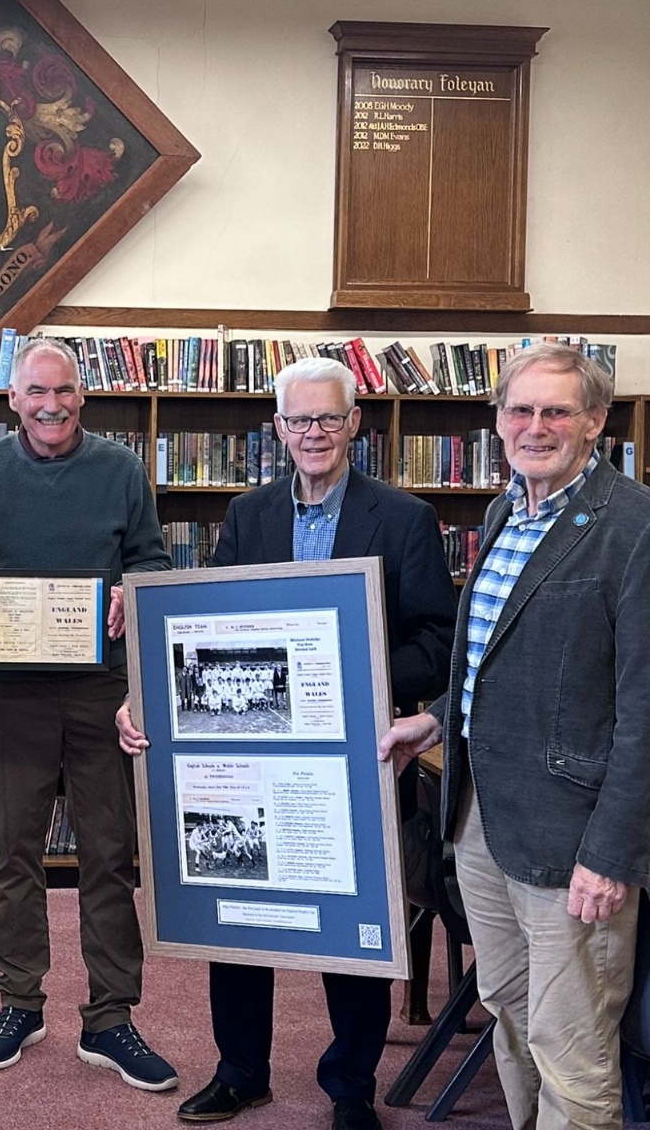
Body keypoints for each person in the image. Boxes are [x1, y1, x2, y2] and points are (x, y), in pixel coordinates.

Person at [118, 356, 456, 1130]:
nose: (313, 433)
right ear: (278, 429)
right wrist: (149, 698)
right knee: (239, 907)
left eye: (328, 419)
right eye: (299, 420)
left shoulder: (403, 517)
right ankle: (242, 1070)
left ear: (354, 425)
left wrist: (346, 667)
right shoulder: (248, 514)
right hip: (257, 749)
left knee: (351, 918)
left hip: (361, 752)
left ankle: (350, 1087)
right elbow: (210, 629)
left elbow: (437, 642)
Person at [380, 342, 650, 1130]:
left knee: (572, 1044)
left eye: (557, 410)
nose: (536, 425)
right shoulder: (508, 511)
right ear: (497, 420)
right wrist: (433, 717)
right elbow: (489, 661)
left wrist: (612, 854)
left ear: (595, 422)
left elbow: (643, 710)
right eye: (521, 409)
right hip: (481, 822)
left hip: (571, 841)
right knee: (511, 1013)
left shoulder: (632, 529)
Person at [0, 336, 177, 1092]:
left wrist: (131, 592)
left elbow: (153, 561)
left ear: (82, 396)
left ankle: (110, 1017)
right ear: (12, 399)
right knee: (16, 853)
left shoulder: (121, 470)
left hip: (102, 689)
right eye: (36, 392)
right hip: (13, 689)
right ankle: (19, 1002)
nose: (51, 405)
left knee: (109, 853)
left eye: (63, 391)